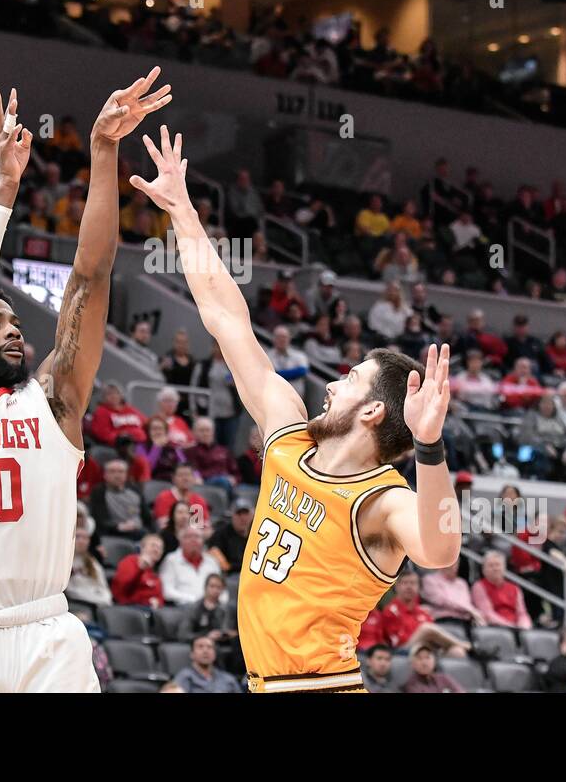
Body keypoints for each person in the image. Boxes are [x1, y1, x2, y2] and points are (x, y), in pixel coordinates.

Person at [131, 125, 460, 693]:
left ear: (373, 413)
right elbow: (227, 318)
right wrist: (183, 211)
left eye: (350, 380)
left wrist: (429, 447)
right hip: (264, 684)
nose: (332, 386)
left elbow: (439, 549)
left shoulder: (382, 500)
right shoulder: (287, 434)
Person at [0, 74, 170, 694]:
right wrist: (5, 188)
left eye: (17, 321)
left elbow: (90, 278)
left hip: (46, 633)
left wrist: (102, 154)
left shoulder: (54, 399)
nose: (14, 330)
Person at [158, 525, 222, 605]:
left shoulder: (212, 561)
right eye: (188, 536)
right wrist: (195, 600)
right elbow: (166, 591)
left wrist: (219, 601)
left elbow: (222, 588)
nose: (193, 540)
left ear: (203, 541)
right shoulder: (171, 560)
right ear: (180, 541)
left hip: (212, 608)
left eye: (197, 536)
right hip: (183, 608)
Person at [173, 635, 242, 693]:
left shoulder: (228, 679)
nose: (205, 651)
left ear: (215, 654)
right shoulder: (185, 677)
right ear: (192, 654)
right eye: (200, 647)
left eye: (209, 647)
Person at [110, 534, 165, 608]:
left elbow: (160, 597)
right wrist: (140, 569)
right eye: (153, 545)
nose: (156, 550)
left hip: (150, 610)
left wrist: (158, 603)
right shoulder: (129, 561)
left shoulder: (154, 572)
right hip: (130, 608)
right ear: (142, 548)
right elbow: (123, 590)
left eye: (160, 548)